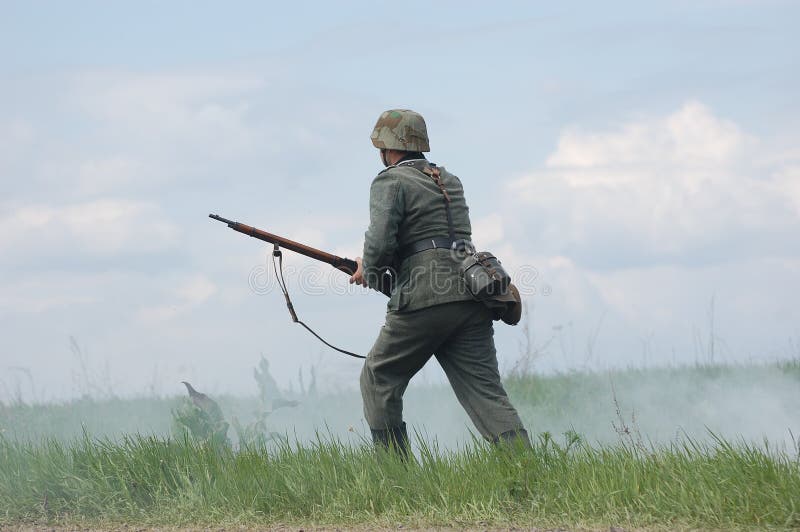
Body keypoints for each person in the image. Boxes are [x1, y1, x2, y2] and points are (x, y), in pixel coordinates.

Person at [349, 109, 530, 456]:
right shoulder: (448, 179)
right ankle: (526, 471)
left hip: (424, 297)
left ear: (388, 148)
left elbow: (381, 242)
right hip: (471, 294)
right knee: (486, 393)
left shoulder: (390, 181)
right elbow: (442, 238)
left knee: (377, 378)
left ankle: (395, 477)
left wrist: (368, 272)